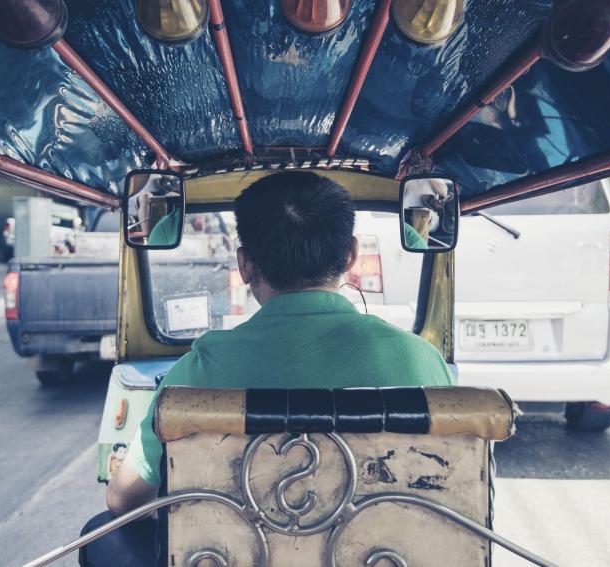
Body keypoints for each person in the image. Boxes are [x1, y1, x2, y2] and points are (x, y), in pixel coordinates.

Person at [79, 171, 455, 567]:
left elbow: (122, 499)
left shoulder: (197, 373)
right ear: (350, 255)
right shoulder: (420, 360)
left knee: (101, 531)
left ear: (245, 265)